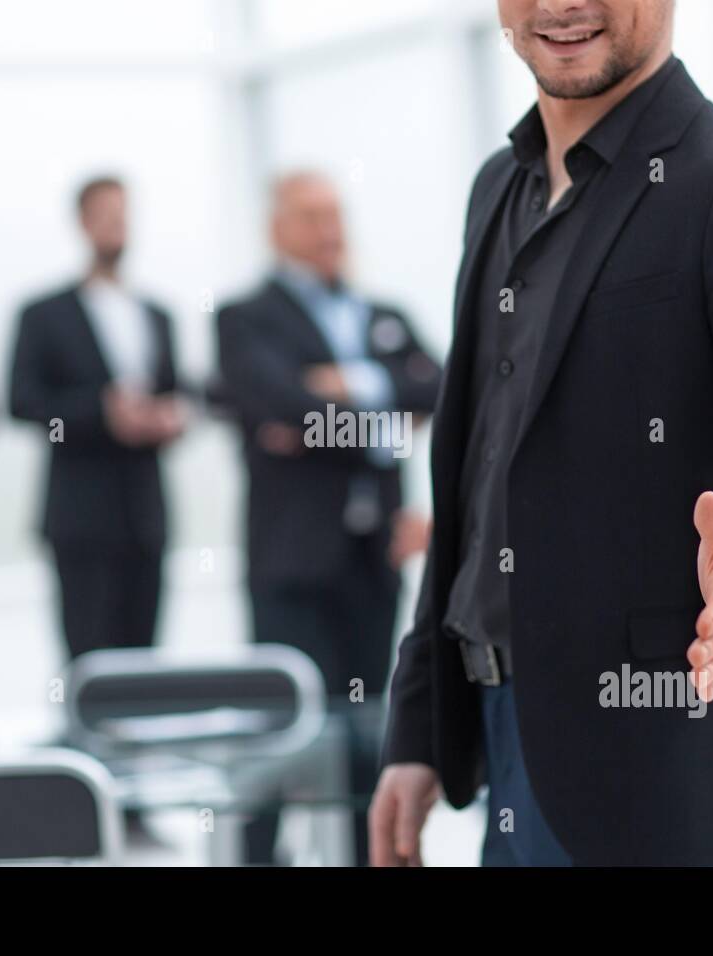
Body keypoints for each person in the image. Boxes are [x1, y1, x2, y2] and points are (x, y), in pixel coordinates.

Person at [369, 0, 713, 867]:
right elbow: (476, 480)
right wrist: (418, 723)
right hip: (500, 736)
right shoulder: (500, 185)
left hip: (652, 775)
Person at [216, 172, 443, 865]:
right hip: (291, 558)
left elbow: (436, 384)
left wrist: (344, 386)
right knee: (286, 725)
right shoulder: (245, 317)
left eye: (336, 214)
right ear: (276, 227)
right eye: (312, 215)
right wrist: (381, 405)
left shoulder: (384, 312)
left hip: (372, 557)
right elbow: (280, 405)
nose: (329, 229)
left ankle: (361, 854)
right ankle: (255, 858)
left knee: (369, 726)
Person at [10, 176, 186, 660]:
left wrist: (171, 418)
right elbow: (21, 402)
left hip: (145, 513)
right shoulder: (44, 314)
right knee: (88, 656)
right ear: (83, 223)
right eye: (106, 215)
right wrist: (100, 411)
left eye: (124, 215)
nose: (117, 226)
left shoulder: (157, 314)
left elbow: (179, 392)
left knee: (143, 657)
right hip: (80, 516)